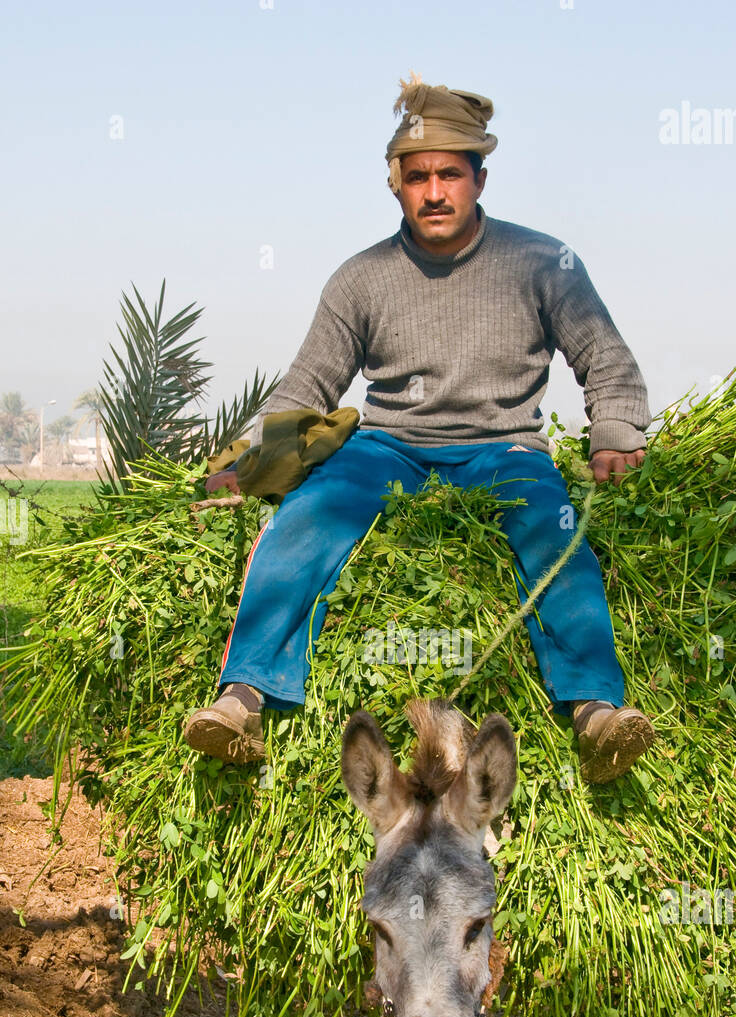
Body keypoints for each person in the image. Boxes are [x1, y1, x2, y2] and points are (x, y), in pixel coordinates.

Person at [184, 77, 656, 784]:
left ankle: (596, 713)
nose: (435, 192)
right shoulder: (361, 278)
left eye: (450, 175)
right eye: (418, 178)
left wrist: (615, 435)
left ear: (480, 179)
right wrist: (247, 463)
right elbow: (306, 386)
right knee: (305, 518)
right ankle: (240, 698)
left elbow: (606, 358)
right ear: (396, 187)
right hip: (389, 447)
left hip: (505, 448)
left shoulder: (541, 264)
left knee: (557, 533)